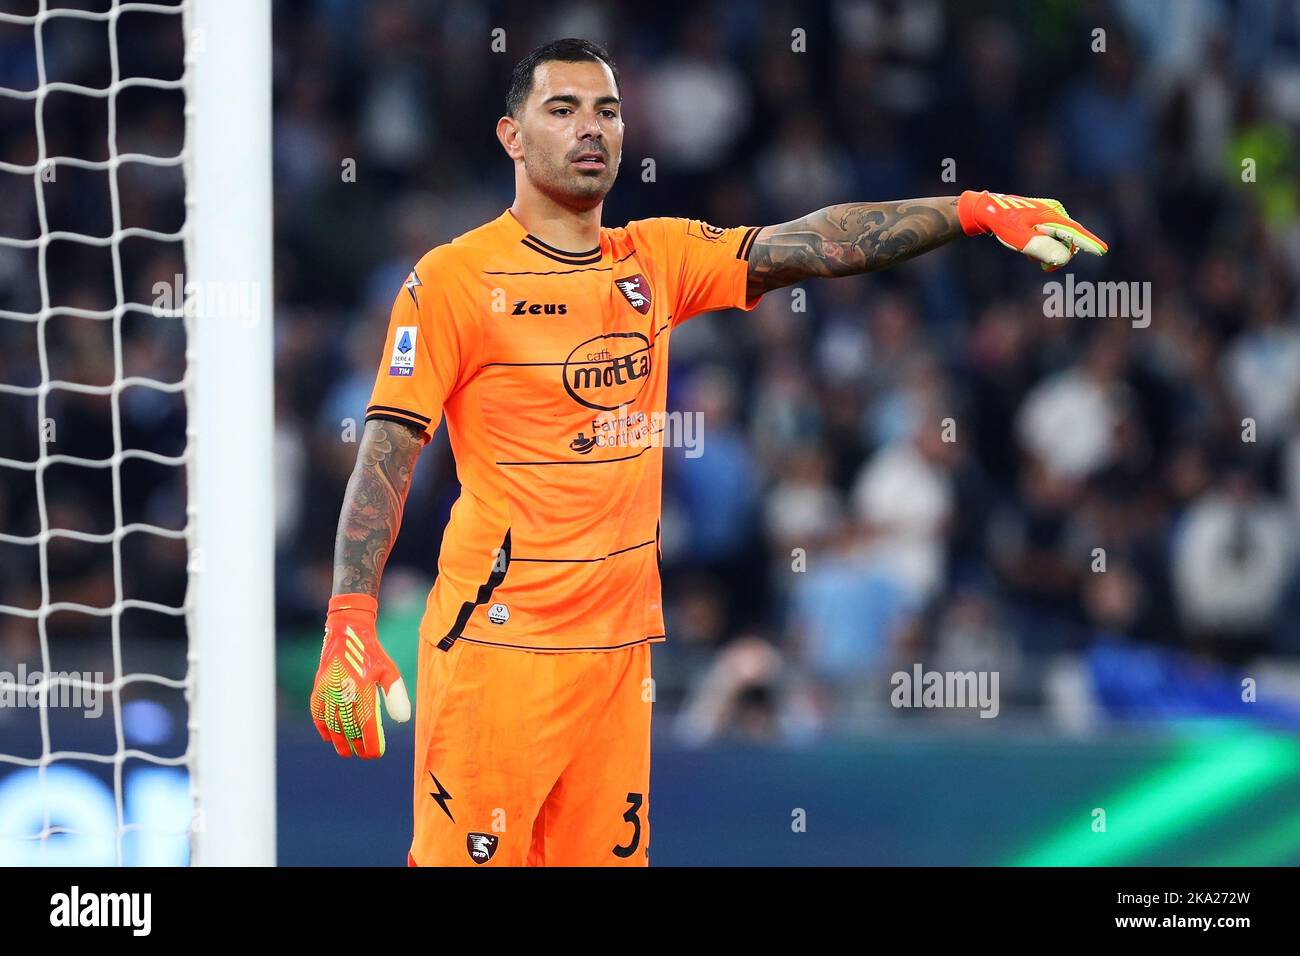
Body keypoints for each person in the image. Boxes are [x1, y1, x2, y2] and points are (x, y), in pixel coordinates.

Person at [309, 37, 1107, 867]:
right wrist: (349, 615)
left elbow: (811, 243)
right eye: (563, 109)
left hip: (620, 655)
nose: (591, 129)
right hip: (499, 650)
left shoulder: (653, 259)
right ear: (511, 135)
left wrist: (971, 210)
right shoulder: (453, 280)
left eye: (608, 111)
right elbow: (388, 449)